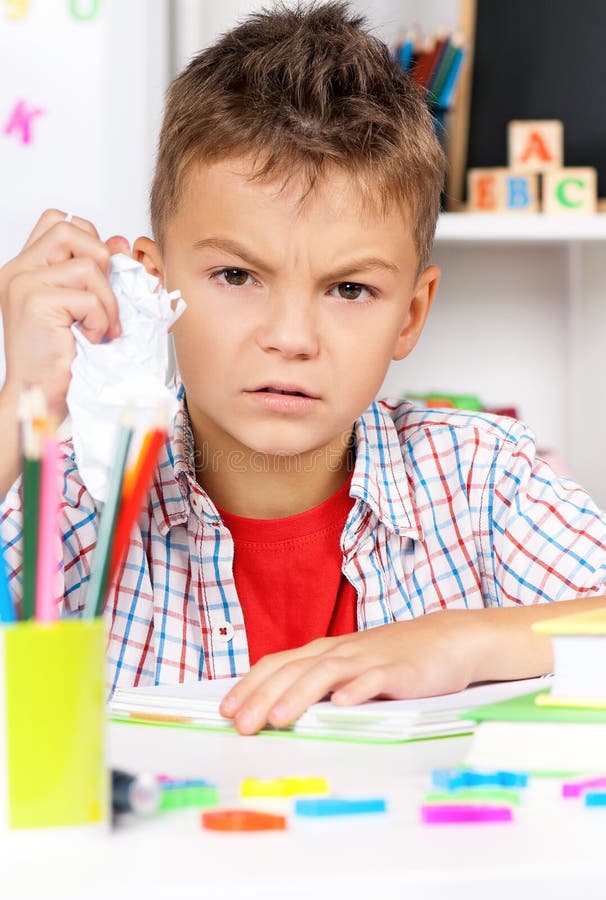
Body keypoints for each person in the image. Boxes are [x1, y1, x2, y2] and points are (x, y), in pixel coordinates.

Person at [1, 2, 605, 735]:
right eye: (236, 276)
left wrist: (464, 639)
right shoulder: (68, 498)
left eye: (349, 289)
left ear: (410, 314)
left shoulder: (481, 480)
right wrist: (24, 399)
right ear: (153, 289)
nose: (291, 338)